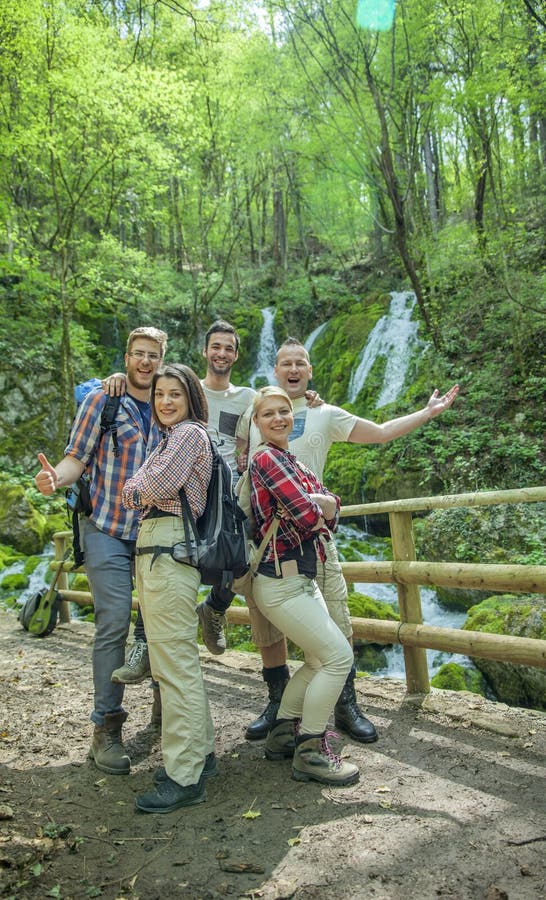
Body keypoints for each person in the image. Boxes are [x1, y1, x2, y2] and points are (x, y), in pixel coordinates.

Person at [241, 338, 459, 744]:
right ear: (274, 371)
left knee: (338, 626)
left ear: (309, 371)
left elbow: (377, 433)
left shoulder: (323, 412)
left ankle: (346, 706)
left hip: (318, 545)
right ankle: (279, 708)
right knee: (269, 633)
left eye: (300, 363)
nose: (293, 369)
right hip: (270, 549)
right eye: (285, 363)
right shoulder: (256, 414)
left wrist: (427, 414)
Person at [34, 326, 168, 775]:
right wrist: (58, 479)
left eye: (153, 355)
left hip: (155, 532)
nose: (145, 362)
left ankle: (165, 708)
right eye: (138, 354)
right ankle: (106, 727)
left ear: (161, 360)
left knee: (159, 623)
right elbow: (77, 457)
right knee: (113, 622)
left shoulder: (171, 404)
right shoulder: (102, 400)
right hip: (105, 527)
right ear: (127, 356)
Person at [249, 386, 359, 786]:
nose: (278, 418)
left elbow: (331, 509)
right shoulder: (265, 457)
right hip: (280, 582)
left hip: (301, 576)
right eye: (268, 414)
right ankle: (310, 750)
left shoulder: (290, 459)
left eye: (284, 411)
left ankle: (282, 734)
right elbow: (312, 516)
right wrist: (320, 505)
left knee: (318, 661)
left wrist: (321, 504)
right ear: (256, 422)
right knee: (338, 658)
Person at [121, 364, 216, 814]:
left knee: (173, 665)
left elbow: (153, 485)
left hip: (166, 546)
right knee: (177, 660)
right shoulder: (172, 437)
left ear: (191, 396)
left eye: (174, 393)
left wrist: (133, 489)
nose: (164, 401)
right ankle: (202, 754)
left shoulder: (187, 435)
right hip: (163, 548)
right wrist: (139, 489)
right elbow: (148, 487)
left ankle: (184, 775)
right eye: (159, 394)